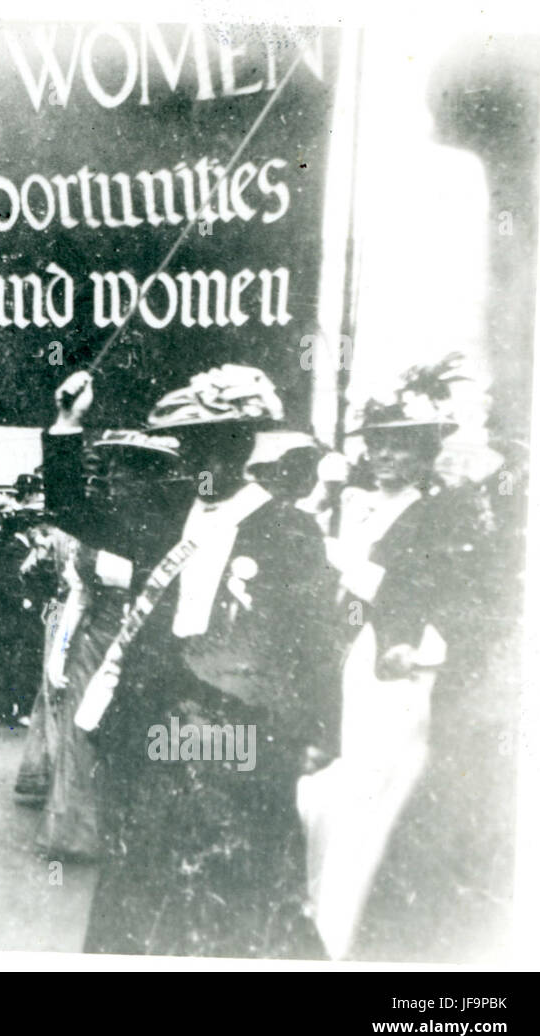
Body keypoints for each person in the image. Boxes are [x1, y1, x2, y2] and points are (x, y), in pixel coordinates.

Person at [71, 365, 339, 958]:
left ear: (241, 447)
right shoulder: (168, 513)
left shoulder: (288, 528)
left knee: (235, 881)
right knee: (144, 871)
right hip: (152, 718)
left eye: (213, 447)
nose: (199, 463)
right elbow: (75, 513)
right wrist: (68, 426)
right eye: (191, 448)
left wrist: (319, 729)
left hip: (239, 728)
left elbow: (317, 637)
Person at [298, 357, 483, 959]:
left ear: (425, 455)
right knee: (336, 775)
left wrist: (349, 566)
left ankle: (350, 920)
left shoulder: (433, 512)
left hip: (394, 657)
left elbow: (425, 588)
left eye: (400, 448)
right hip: (351, 648)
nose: (384, 457)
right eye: (378, 445)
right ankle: (317, 905)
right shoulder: (349, 503)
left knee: (374, 778)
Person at [16, 386, 187, 858]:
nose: (119, 478)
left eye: (132, 468)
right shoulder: (107, 527)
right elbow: (66, 509)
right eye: (114, 468)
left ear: (156, 476)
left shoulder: (182, 526)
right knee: (81, 736)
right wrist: (68, 420)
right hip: (96, 643)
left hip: (152, 651)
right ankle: (79, 834)